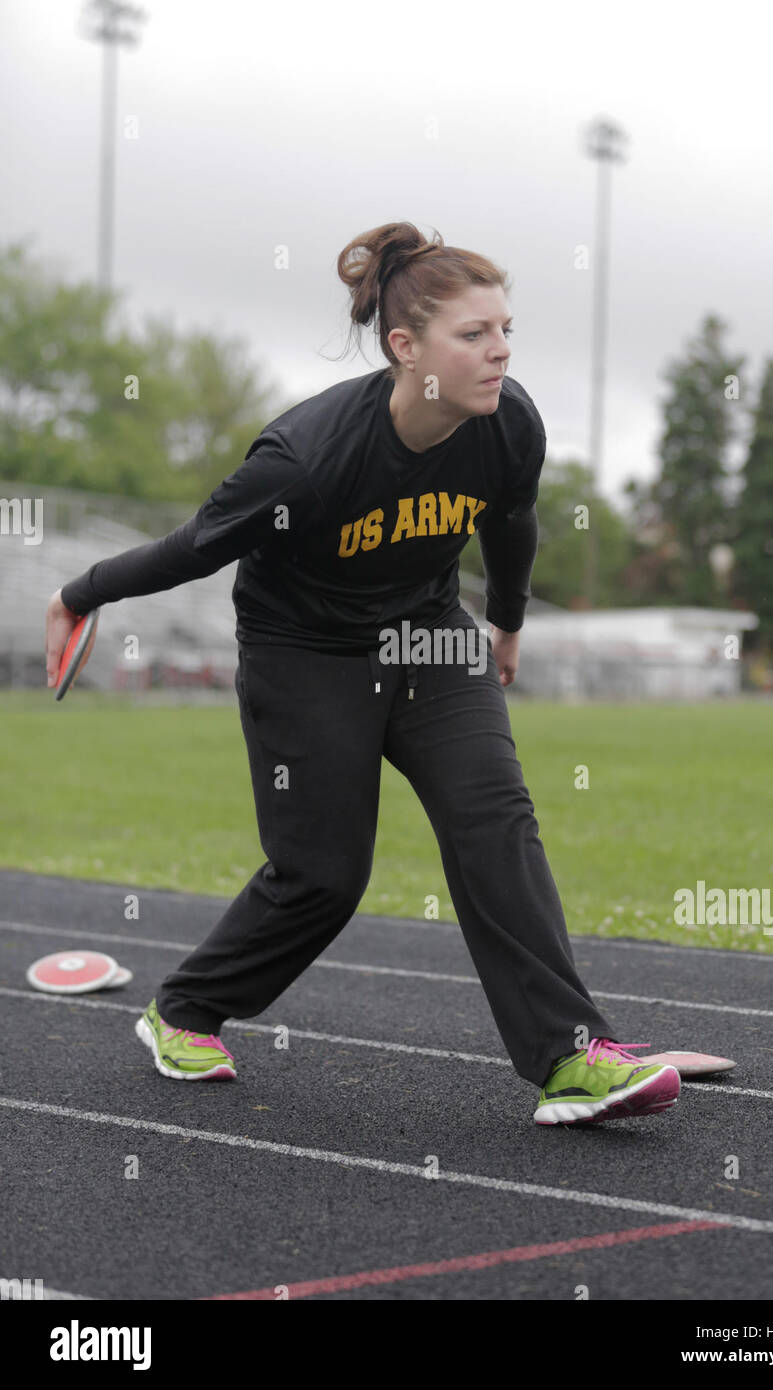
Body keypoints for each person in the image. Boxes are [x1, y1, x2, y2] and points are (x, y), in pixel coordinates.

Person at [45, 221, 680, 1126]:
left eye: (506, 330)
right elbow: (196, 547)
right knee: (323, 878)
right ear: (405, 348)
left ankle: (569, 1057)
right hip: (304, 651)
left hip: (429, 634)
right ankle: (184, 1009)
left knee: (493, 818)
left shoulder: (509, 423)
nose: (500, 351)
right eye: (474, 335)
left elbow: (513, 519)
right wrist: (80, 593)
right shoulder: (306, 458)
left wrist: (505, 622)